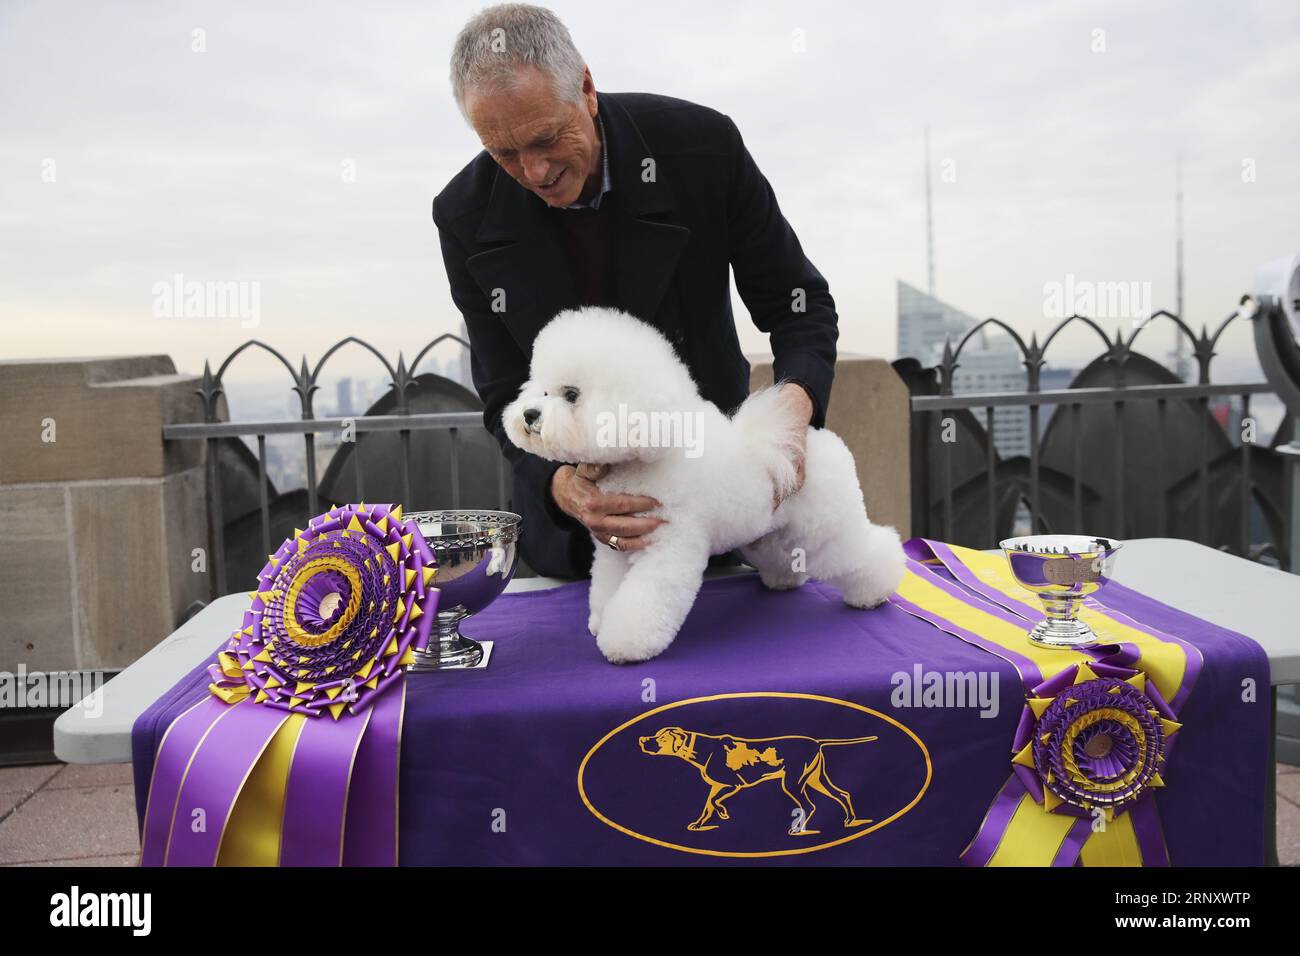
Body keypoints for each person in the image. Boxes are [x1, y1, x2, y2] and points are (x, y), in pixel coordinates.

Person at [433, 3, 839, 578]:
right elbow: (503, 392)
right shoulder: (463, 215)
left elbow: (798, 304)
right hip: (574, 540)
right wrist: (560, 486)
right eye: (504, 153)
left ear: (588, 89)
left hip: (714, 500)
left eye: (547, 137)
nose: (535, 171)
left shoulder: (703, 148)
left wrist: (795, 407)